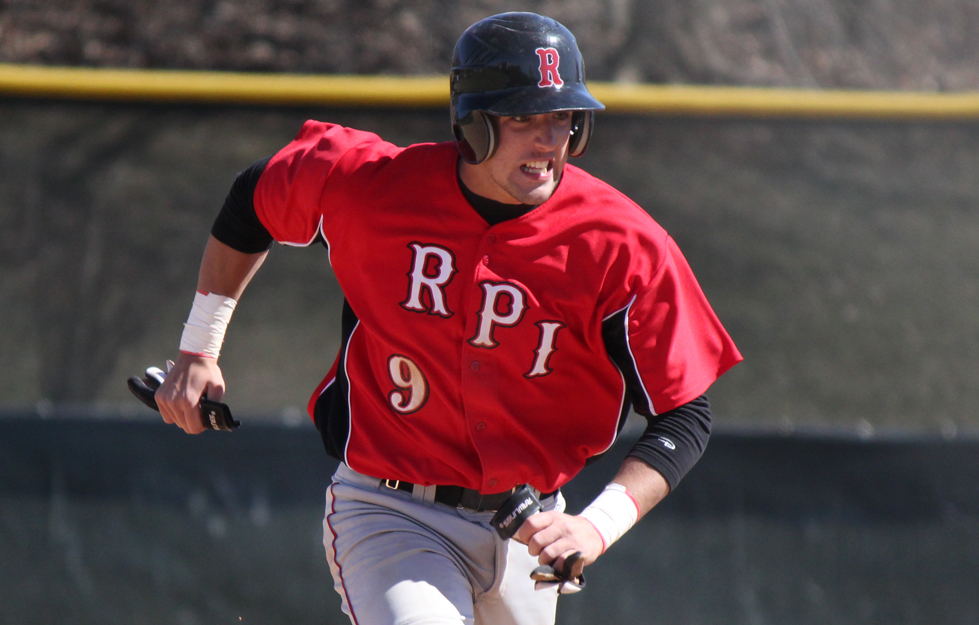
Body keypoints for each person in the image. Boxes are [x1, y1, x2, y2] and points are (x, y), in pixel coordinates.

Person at [155, 11, 741, 625]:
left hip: (528, 525)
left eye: (563, 117)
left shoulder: (622, 244)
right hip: (392, 511)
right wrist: (200, 349)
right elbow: (255, 197)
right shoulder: (373, 186)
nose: (549, 139)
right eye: (522, 117)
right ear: (472, 124)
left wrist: (595, 527)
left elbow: (686, 413)